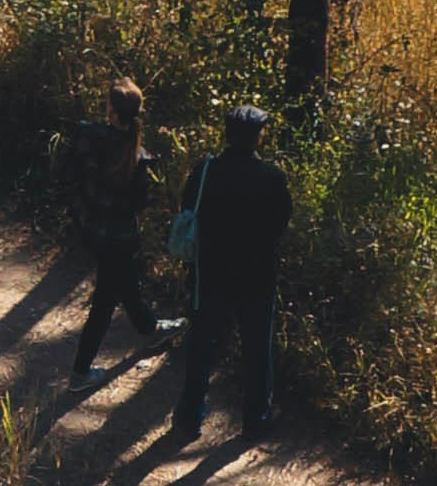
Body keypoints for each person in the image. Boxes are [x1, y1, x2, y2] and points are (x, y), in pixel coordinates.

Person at [168, 99, 291, 445]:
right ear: (258, 138)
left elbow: (187, 208)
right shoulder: (272, 178)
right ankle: (255, 420)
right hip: (257, 276)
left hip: (211, 272)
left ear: (227, 134)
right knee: (256, 349)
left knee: (202, 345)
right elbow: (280, 224)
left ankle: (189, 417)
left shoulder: (206, 170)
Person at [64, 76, 162, 381]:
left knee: (123, 284)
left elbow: (71, 170)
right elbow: (141, 202)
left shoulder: (88, 136)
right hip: (119, 235)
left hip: (91, 228)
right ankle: (80, 372)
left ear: (109, 107)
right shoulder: (138, 157)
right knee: (107, 299)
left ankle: (150, 328)